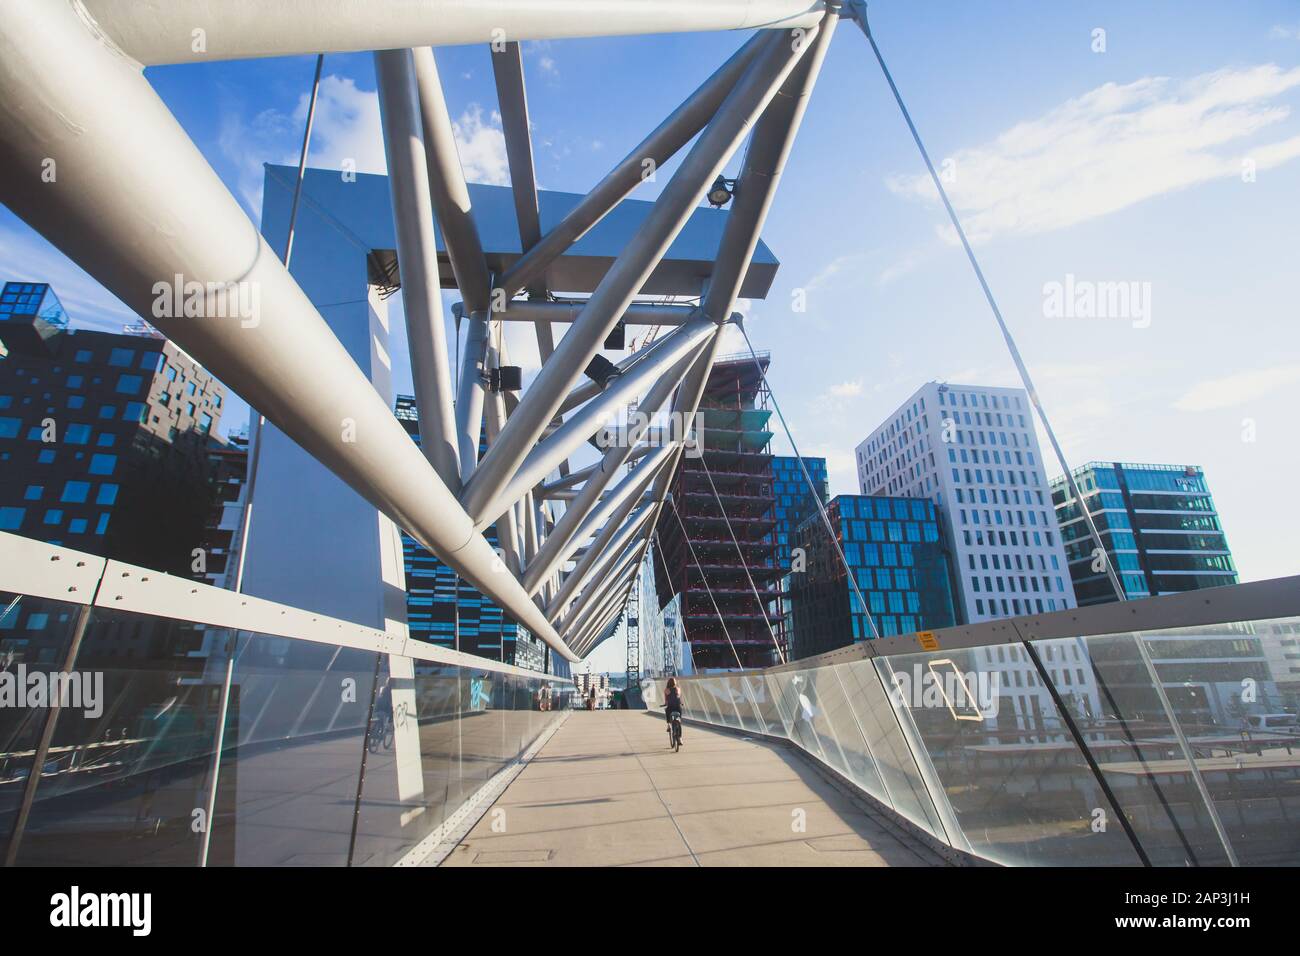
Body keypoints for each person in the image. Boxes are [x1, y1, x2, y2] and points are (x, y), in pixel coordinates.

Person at [664, 677, 684, 745]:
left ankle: (669, 724)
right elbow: (679, 698)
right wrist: (681, 703)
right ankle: (680, 738)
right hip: (677, 707)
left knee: (667, 710)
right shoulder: (678, 689)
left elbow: (666, 701)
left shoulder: (666, 690)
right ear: (675, 683)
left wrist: (665, 703)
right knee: (679, 722)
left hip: (670, 707)